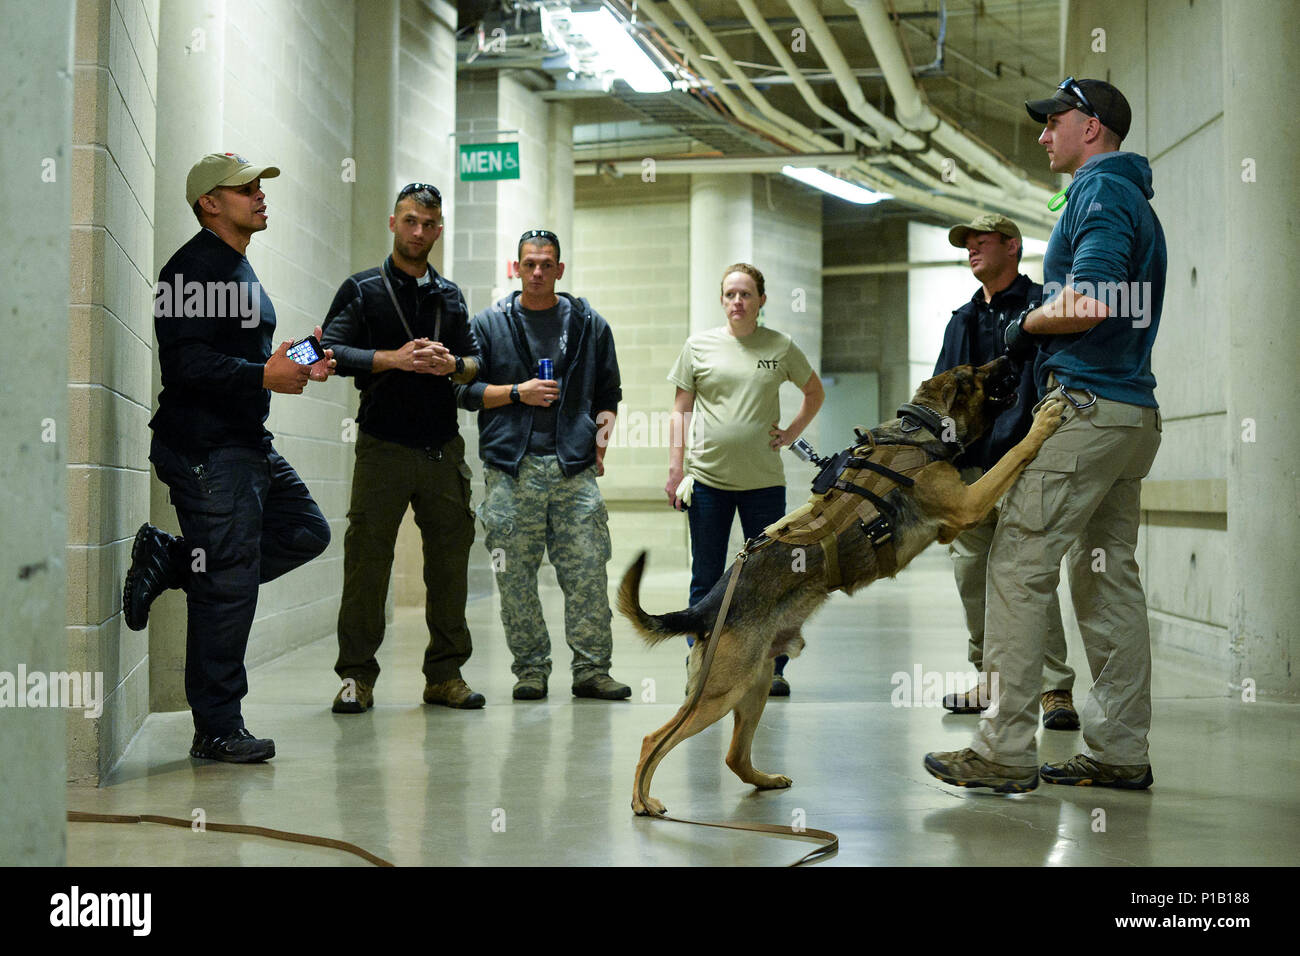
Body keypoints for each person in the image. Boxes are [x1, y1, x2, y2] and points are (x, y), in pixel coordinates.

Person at [925, 78, 1165, 792]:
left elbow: (1089, 301)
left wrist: (1023, 324)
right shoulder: (1133, 199)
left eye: (1052, 121)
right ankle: (1121, 750)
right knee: (1107, 581)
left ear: (1090, 127)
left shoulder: (1101, 192)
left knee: (1015, 564)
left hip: (1087, 409)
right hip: (1131, 415)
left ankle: (1003, 750)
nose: (1042, 135)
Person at [122, 152, 334, 763]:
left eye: (259, 186)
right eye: (244, 189)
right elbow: (185, 365)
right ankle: (217, 727)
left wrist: (294, 360)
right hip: (206, 449)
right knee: (232, 585)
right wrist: (261, 375)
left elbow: (238, 359)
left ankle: (169, 559)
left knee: (304, 532)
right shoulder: (190, 269)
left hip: (245, 444)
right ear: (209, 202)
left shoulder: (237, 267)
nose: (258, 195)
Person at [320, 183, 484, 712]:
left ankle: (445, 675)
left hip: (442, 448)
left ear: (439, 229)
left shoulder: (451, 295)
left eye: (429, 224)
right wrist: (392, 359)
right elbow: (330, 351)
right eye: (410, 221)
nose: (419, 232)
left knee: (449, 564)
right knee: (368, 563)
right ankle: (356, 677)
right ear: (393, 223)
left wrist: (451, 366)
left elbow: (478, 361)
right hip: (383, 447)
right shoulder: (362, 289)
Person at [459, 229, 630, 701]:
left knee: (588, 572)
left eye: (546, 264)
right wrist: (518, 392)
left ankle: (592, 670)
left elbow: (609, 395)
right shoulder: (488, 324)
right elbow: (463, 392)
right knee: (514, 578)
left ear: (560, 268)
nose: (537, 272)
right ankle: (530, 670)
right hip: (510, 471)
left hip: (573, 470)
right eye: (529, 264)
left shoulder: (590, 325)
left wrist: (599, 444)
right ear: (517, 268)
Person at [933, 214, 1077, 729]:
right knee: (973, 574)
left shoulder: (1045, 307)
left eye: (981, 242)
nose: (971, 250)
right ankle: (987, 678)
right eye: (966, 244)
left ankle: (1054, 688)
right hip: (971, 472)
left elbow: (1056, 379)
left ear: (1012, 246)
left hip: (1028, 462)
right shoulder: (962, 320)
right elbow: (943, 395)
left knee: (1028, 578)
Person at [665, 263, 824, 696]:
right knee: (708, 576)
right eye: (731, 294)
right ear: (722, 300)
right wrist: (675, 467)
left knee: (767, 577)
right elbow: (681, 409)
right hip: (708, 482)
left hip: (763, 484)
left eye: (746, 294)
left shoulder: (780, 346)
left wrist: (792, 432)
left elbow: (814, 392)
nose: (738, 301)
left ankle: (771, 666)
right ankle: (702, 659)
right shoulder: (699, 347)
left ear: (761, 301)